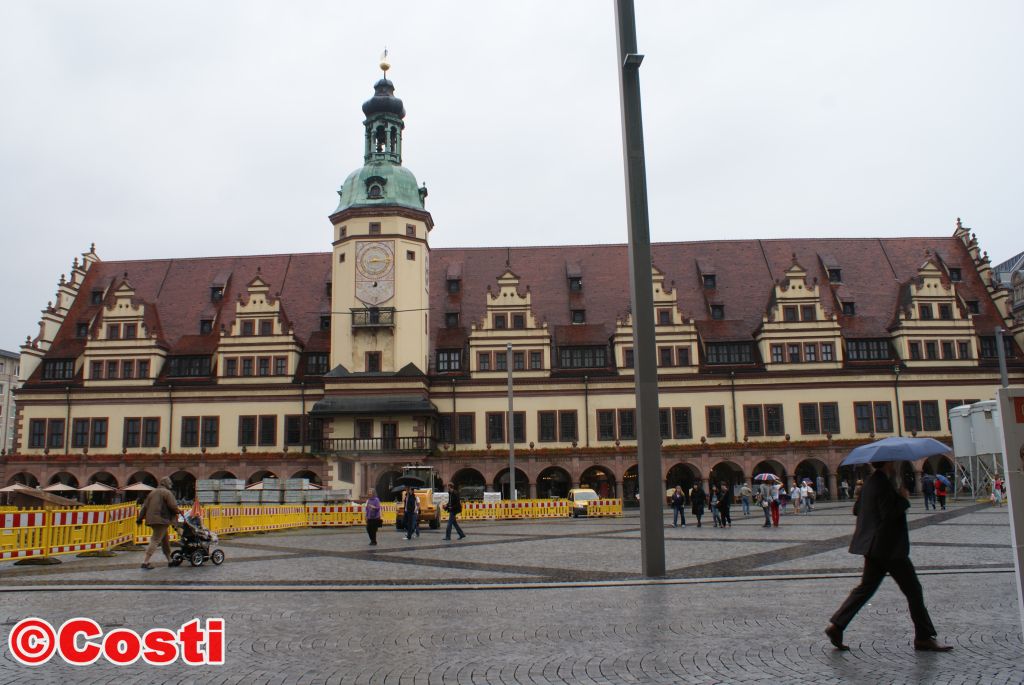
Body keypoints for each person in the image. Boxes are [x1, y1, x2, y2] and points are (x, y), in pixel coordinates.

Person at [825, 460, 953, 652]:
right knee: (914, 591)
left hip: (874, 547)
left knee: (865, 589)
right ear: (889, 463)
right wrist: (902, 498)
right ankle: (924, 637)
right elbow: (888, 513)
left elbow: (857, 510)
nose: (896, 464)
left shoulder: (869, 482)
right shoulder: (883, 484)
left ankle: (837, 626)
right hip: (890, 548)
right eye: (894, 462)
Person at [137, 476, 181, 570]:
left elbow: (144, 507)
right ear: (165, 483)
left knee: (165, 540)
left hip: (152, 519)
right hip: (161, 519)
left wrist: (140, 518)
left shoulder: (152, 492)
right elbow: (173, 505)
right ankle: (145, 562)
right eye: (169, 482)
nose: (171, 484)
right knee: (155, 539)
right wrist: (178, 511)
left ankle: (170, 560)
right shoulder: (167, 492)